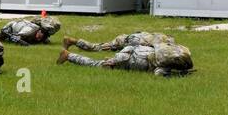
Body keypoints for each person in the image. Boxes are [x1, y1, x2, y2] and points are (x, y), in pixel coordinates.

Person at [57, 40, 194, 76]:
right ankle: (69, 55)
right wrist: (179, 75)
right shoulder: (164, 63)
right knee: (96, 65)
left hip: (132, 50)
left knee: (103, 58)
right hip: (126, 60)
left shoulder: (163, 52)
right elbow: (159, 74)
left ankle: (69, 53)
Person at [62, 31, 175, 52]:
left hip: (126, 37)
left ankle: (73, 42)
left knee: (99, 47)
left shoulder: (158, 36)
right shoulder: (158, 43)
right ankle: (72, 41)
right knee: (96, 48)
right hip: (125, 41)